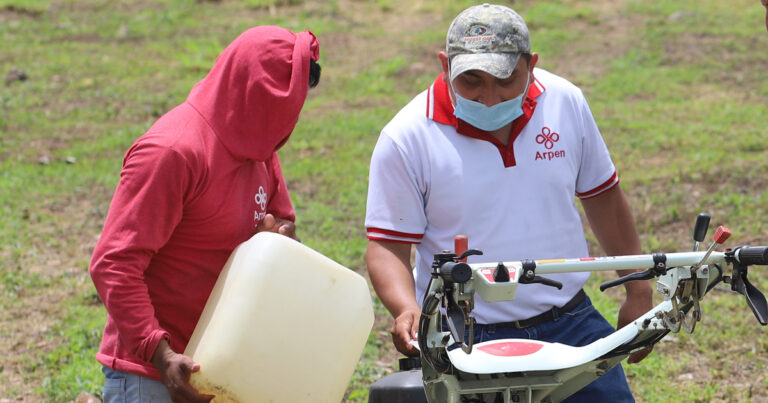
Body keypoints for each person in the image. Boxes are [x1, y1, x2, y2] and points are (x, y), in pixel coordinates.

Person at [364, 4, 652, 401]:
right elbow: (388, 245)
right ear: (444, 65)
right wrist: (405, 308)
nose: (488, 98)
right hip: (463, 336)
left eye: (505, 80)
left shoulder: (565, 102)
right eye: (471, 80)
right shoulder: (407, 136)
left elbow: (603, 197)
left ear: (531, 65)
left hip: (570, 321)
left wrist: (638, 288)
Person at [89, 26, 320, 403]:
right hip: (155, 375)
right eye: (280, 108)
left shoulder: (259, 146)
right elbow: (114, 263)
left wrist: (281, 238)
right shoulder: (172, 152)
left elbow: (280, 222)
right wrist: (161, 354)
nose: (287, 123)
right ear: (249, 92)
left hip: (220, 365)